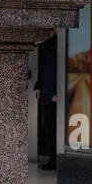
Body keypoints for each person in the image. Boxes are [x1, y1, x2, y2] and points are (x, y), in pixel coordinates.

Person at [34, 30, 58, 170]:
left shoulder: (61, 45)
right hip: (48, 93)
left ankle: (55, 159)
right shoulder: (47, 45)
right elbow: (43, 69)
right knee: (49, 126)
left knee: (54, 127)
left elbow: (56, 70)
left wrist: (55, 93)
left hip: (53, 93)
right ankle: (52, 159)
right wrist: (38, 86)